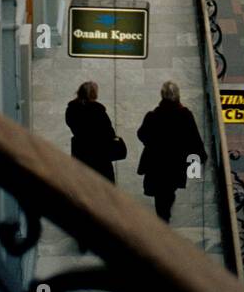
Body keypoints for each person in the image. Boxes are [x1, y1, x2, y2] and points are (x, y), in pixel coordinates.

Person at [137, 80, 207, 223]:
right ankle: (165, 215)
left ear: (162, 95)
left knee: (159, 193)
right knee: (170, 189)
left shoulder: (153, 116)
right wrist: (200, 157)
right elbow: (194, 139)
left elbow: (142, 134)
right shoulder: (185, 115)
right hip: (176, 164)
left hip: (156, 163)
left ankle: (162, 216)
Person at [64, 81, 123, 183]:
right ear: (93, 93)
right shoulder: (97, 110)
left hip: (81, 153)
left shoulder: (72, 109)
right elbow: (108, 131)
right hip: (100, 155)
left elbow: (73, 126)